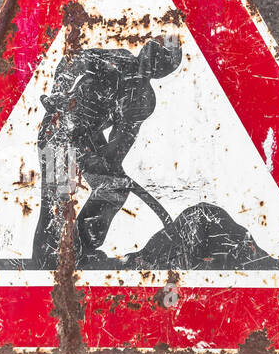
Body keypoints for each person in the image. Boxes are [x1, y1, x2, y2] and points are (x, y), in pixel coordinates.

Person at [31, 36, 183, 268]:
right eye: (153, 50)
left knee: (115, 188)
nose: (151, 60)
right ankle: (48, 260)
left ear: (163, 71)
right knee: (59, 192)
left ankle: (80, 248)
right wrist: (59, 91)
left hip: (88, 140)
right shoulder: (118, 60)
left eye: (160, 60)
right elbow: (73, 61)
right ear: (144, 50)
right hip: (59, 128)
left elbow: (119, 144)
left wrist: (109, 167)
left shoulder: (143, 101)